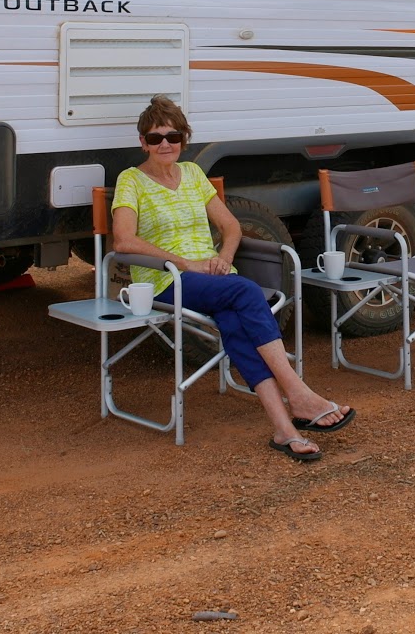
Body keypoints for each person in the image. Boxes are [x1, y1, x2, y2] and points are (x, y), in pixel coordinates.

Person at [111, 96, 355, 462]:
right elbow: (123, 240)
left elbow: (230, 225)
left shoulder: (193, 175)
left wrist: (224, 257)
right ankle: (299, 393)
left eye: (173, 136)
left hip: (213, 281)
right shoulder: (131, 180)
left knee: (235, 321)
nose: (165, 144)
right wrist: (184, 263)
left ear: (184, 139)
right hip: (167, 280)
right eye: (155, 137)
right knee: (245, 291)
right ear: (142, 142)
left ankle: (284, 429)